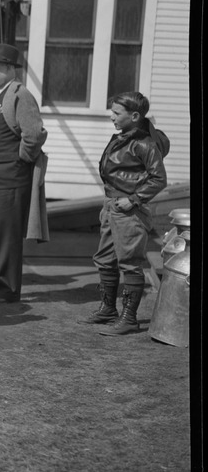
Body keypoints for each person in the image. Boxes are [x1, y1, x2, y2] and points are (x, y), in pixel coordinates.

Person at [83, 91, 169, 336]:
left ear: (134, 116)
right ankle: (107, 309)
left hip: (129, 211)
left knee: (130, 263)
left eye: (116, 113)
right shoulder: (123, 137)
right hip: (111, 206)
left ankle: (128, 318)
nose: (111, 117)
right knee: (105, 259)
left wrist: (132, 200)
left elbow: (159, 178)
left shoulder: (143, 143)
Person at [0, 42, 47, 304]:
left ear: (8, 68)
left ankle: (8, 289)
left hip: (8, 179)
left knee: (6, 237)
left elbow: (34, 135)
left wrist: (20, 160)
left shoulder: (20, 95)